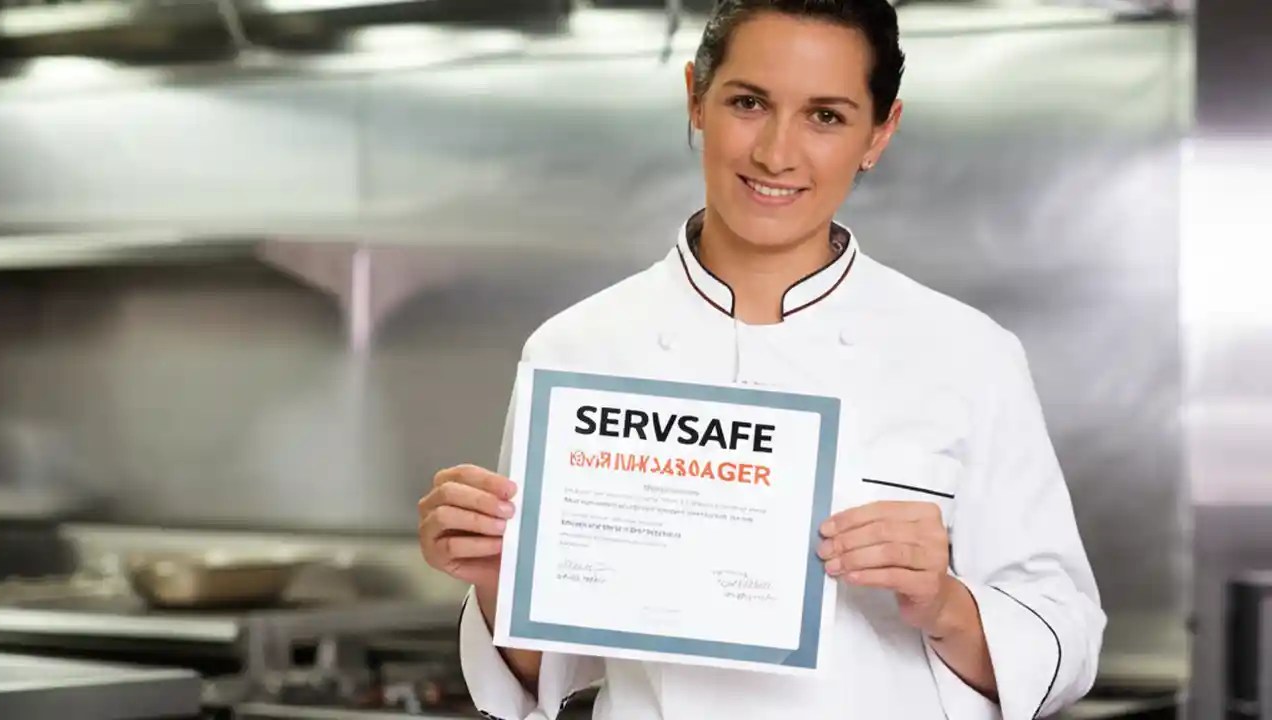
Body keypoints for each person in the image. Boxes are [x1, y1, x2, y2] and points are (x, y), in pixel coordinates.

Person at [417, 1, 1106, 718]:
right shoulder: (578, 348)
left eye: (826, 116)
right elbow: (547, 670)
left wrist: (942, 603)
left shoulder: (968, 355)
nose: (777, 154)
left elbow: (1066, 637)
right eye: (749, 103)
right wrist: (498, 579)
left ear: (880, 132)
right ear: (696, 99)